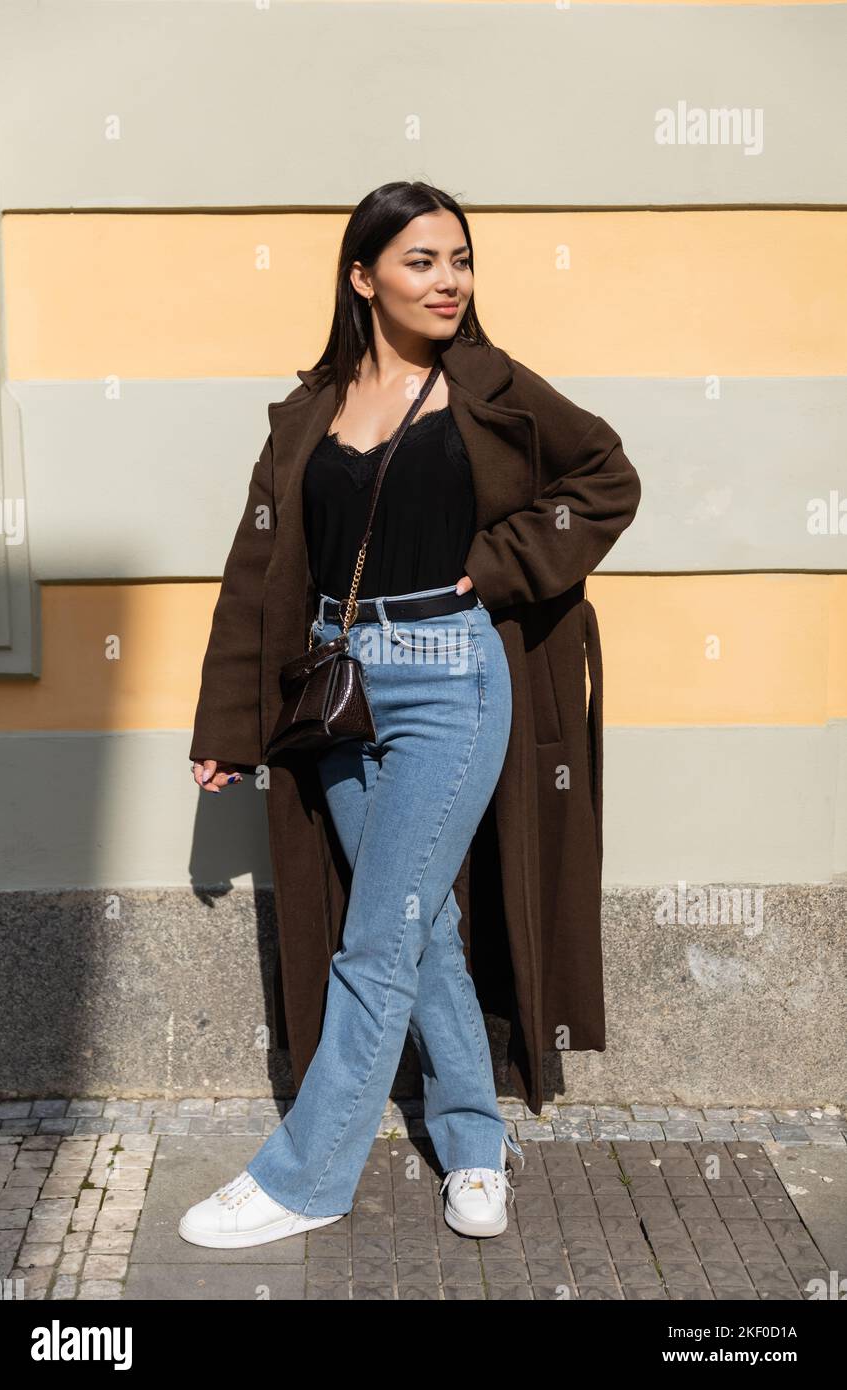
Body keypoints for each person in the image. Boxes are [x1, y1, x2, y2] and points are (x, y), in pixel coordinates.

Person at [179, 180, 641, 1249]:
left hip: (448, 674)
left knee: (373, 939)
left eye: (461, 260)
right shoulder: (309, 410)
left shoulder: (486, 385)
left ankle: (306, 1174)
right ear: (362, 276)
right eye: (422, 260)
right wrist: (226, 725)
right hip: (339, 684)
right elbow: (255, 571)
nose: (449, 281)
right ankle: (473, 1144)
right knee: (418, 926)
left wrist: (493, 566)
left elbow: (603, 478)